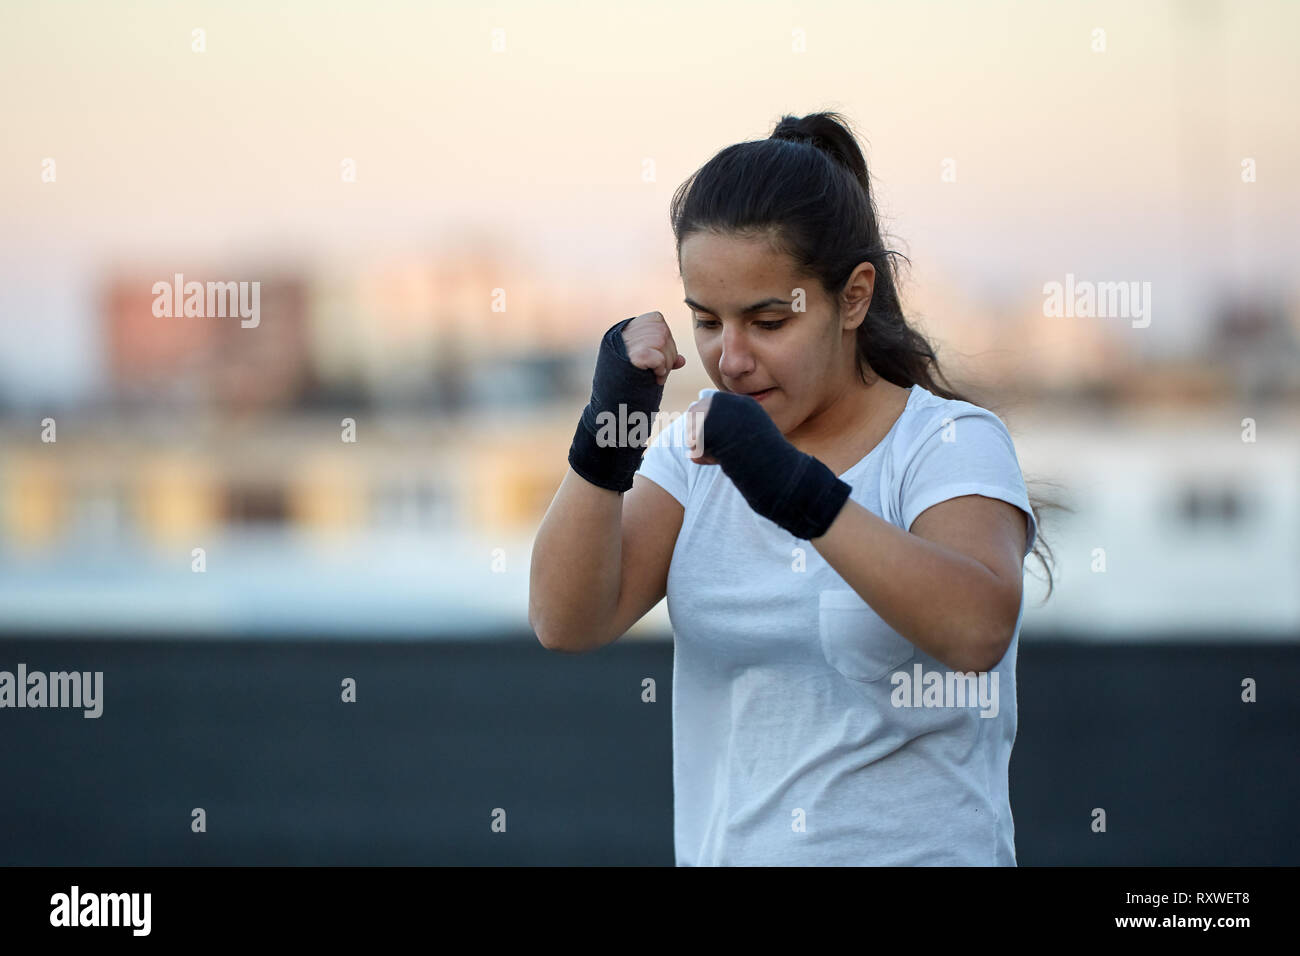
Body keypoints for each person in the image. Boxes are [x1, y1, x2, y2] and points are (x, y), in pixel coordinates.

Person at [530, 111, 1056, 866]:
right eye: (706, 321)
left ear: (852, 298)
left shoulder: (945, 442)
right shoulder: (697, 452)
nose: (731, 357)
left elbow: (977, 629)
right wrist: (606, 435)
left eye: (768, 320)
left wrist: (794, 489)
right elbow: (565, 620)